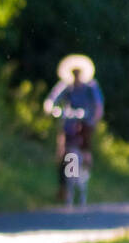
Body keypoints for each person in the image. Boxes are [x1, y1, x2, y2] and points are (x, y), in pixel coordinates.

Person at [44, 54, 104, 203]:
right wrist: (51, 109)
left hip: (84, 125)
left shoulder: (90, 87)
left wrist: (94, 118)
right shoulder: (66, 87)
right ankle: (64, 189)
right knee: (63, 154)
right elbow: (52, 99)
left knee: (85, 151)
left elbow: (98, 105)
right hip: (69, 125)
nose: (75, 76)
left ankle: (84, 176)